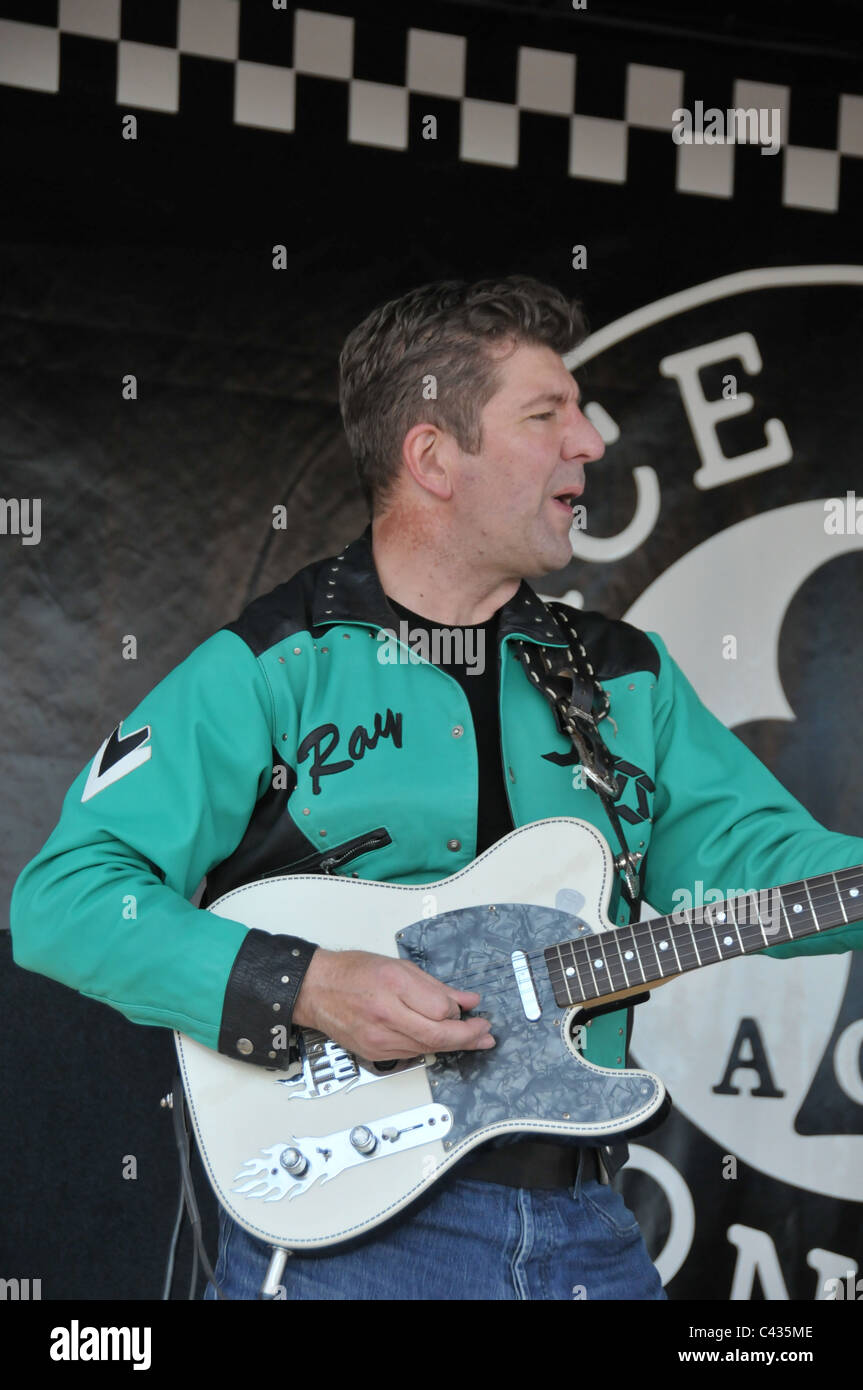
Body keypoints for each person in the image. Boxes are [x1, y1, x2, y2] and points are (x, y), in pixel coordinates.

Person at [10, 276, 863, 1301]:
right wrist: (308, 983)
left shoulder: (623, 676)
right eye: (546, 414)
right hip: (351, 1240)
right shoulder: (276, 662)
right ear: (431, 458)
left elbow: (760, 872)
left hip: (589, 1223)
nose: (589, 441)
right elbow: (63, 898)